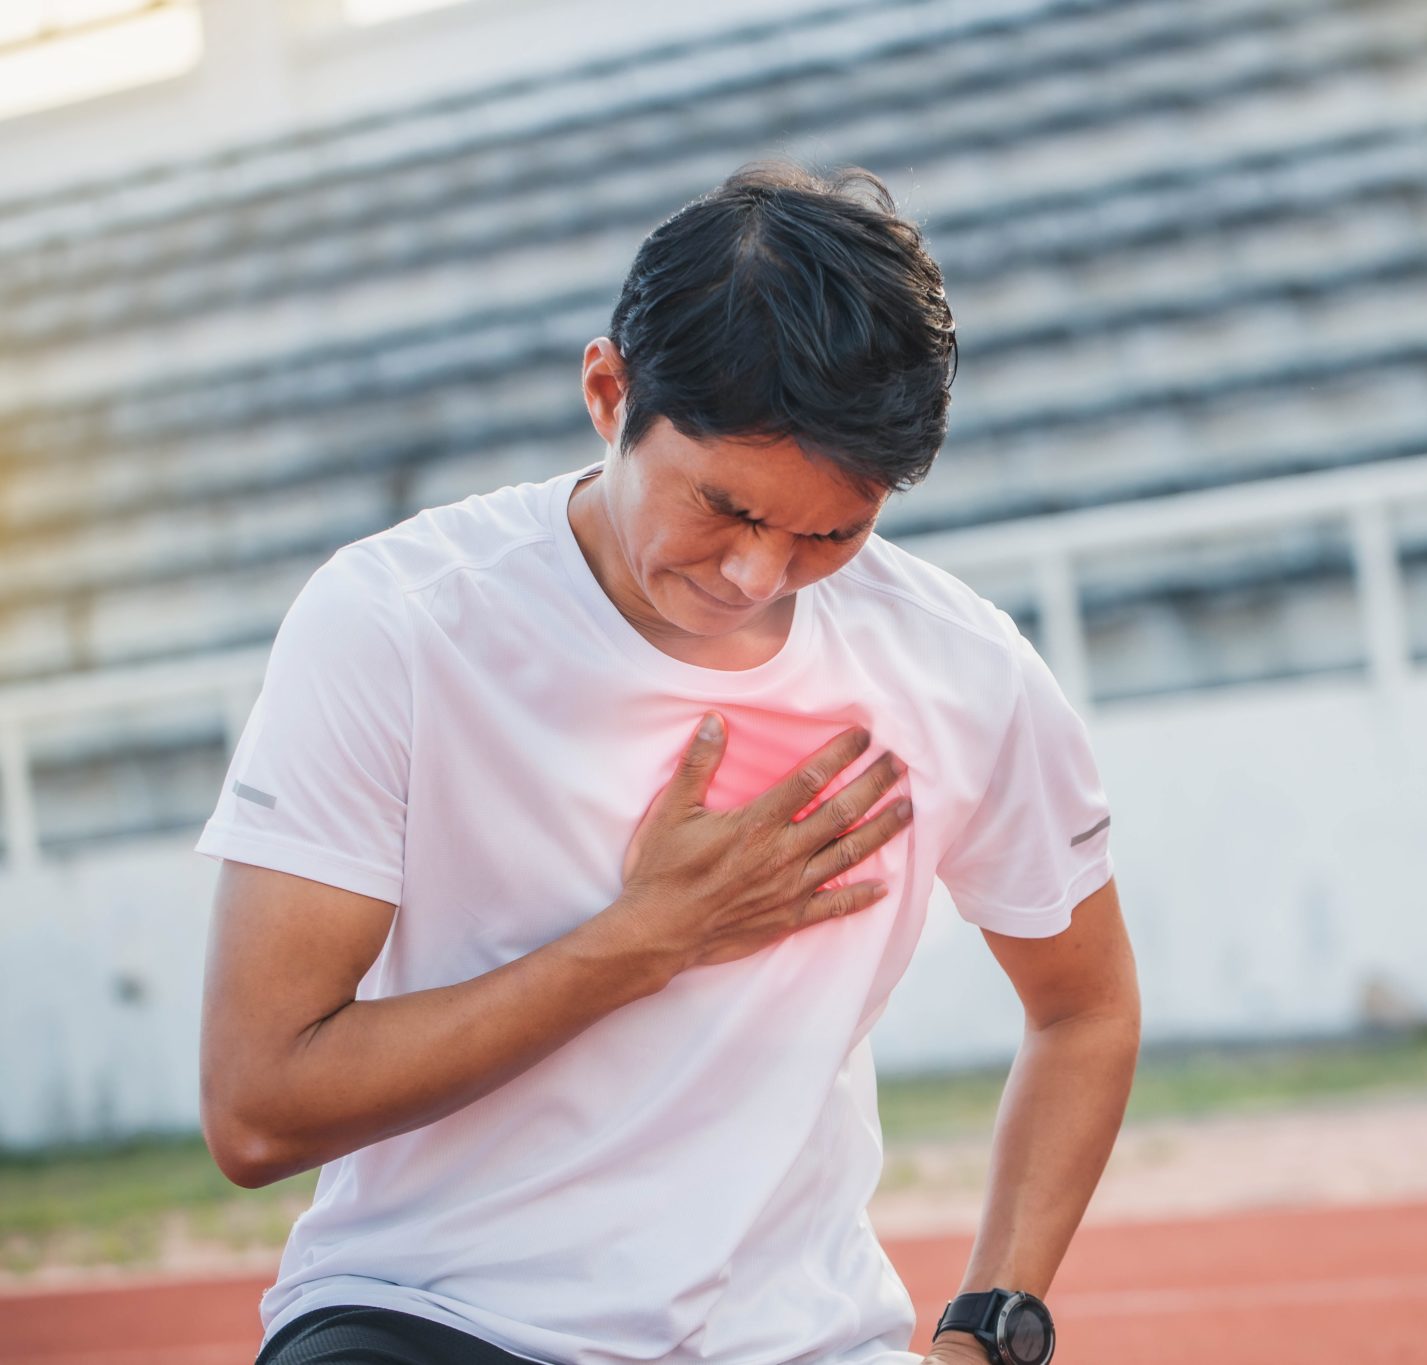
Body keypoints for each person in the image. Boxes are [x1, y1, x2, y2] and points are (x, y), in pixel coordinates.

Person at [195, 161, 1141, 1365]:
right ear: (608, 391)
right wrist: (648, 937)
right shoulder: (398, 622)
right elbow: (258, 1108)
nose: (758, 574)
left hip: (799, 1342)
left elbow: (1086, 1006)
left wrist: (986, 1328)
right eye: (728, 509)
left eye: (829, 533)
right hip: (432, 1316)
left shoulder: (958, 667)